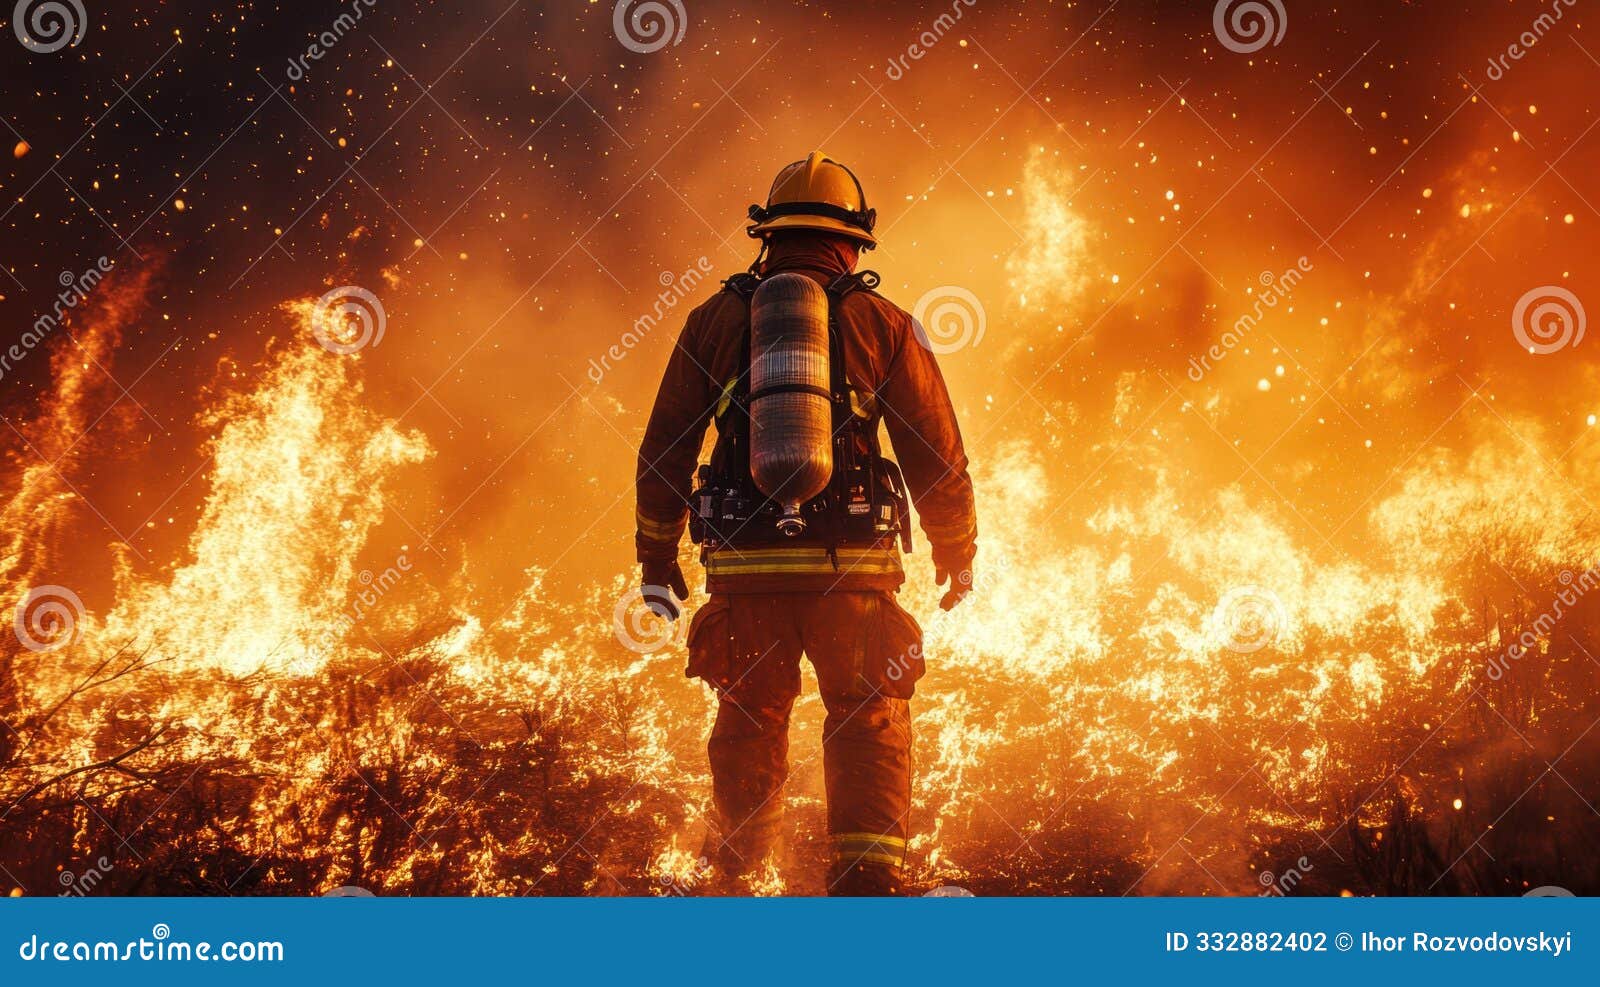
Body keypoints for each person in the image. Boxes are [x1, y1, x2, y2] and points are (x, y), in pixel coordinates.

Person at [633, 151, 978, 895]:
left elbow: (665, 451)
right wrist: (956, 549)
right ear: (852, 243)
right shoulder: (886, 323)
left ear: (768, 235)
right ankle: (866, 881)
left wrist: (656, 559)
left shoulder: (713, 320)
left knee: (749, 721)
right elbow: (935, 453)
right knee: (867, 718)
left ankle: (742, 875)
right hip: (850, 572)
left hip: (744, 576)